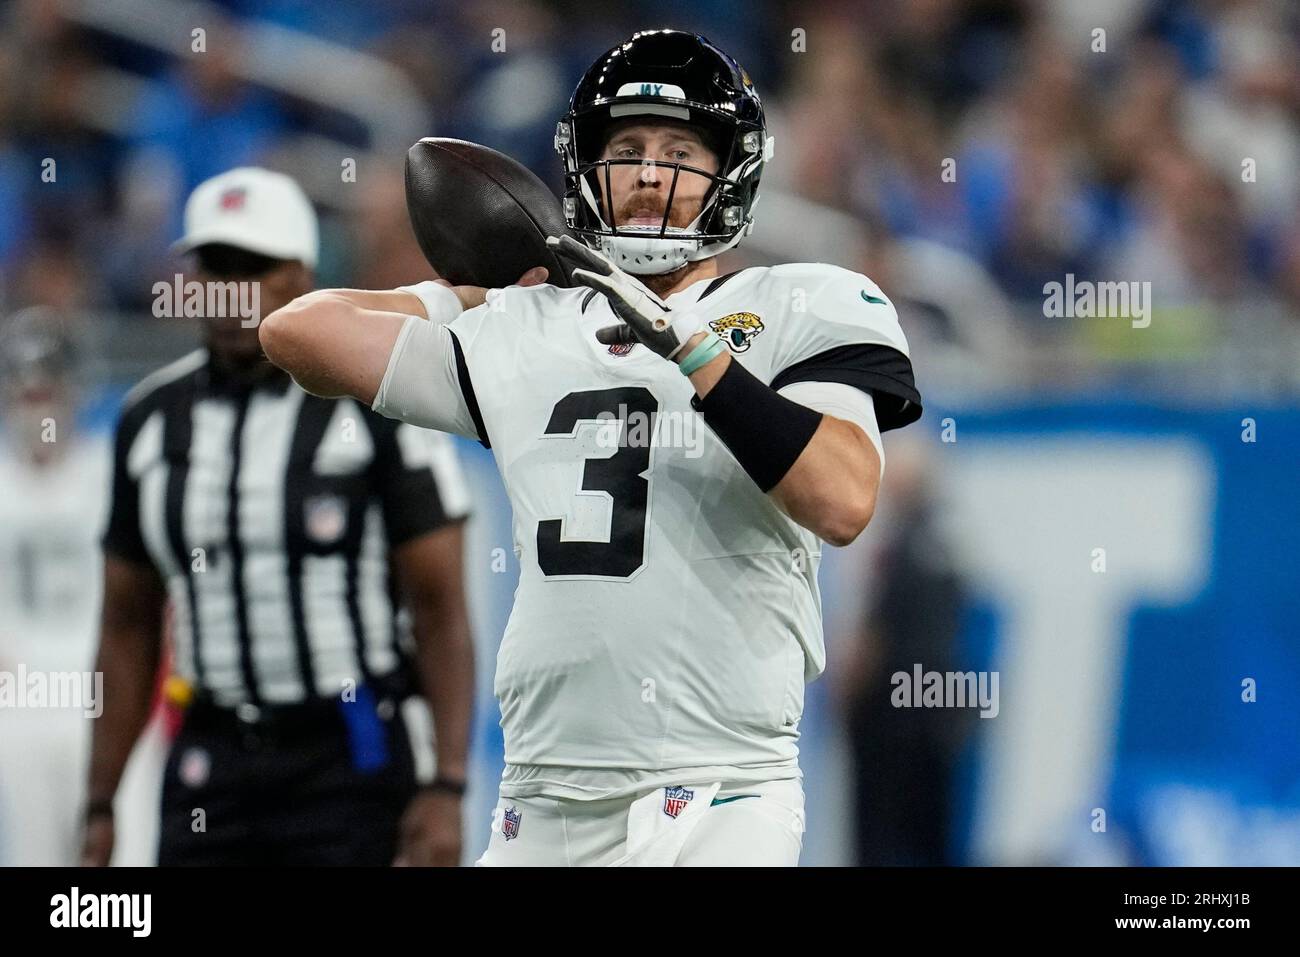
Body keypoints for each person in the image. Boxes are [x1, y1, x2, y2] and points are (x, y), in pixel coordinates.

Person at [260, 30, 922, 866]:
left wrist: (690, 349)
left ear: (732, 173)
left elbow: (841, 498)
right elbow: (296, 331)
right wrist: (468, 291)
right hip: (540, 797)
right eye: (628, 149)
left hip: (720, 787)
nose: (649, 174)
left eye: (680, 150)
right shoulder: (529, 327)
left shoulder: (802, 300)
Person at [83, 167, 475, 867]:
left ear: (303, 274)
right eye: (215, 267)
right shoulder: (148, 419)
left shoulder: (379, 402)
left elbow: (441, 606)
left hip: (346, 751)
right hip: (210, 749)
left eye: (255, 267)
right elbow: (127, 620)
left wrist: (447, 784)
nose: (234, 289)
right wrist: (100, 801)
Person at [0, 308, 167, 865]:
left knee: (126, 862)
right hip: (18, 701)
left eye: (46, 391)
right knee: (36, 856)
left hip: (108, 694)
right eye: (25, 395)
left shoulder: (109, 471)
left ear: (73, 391)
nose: (37, 407)